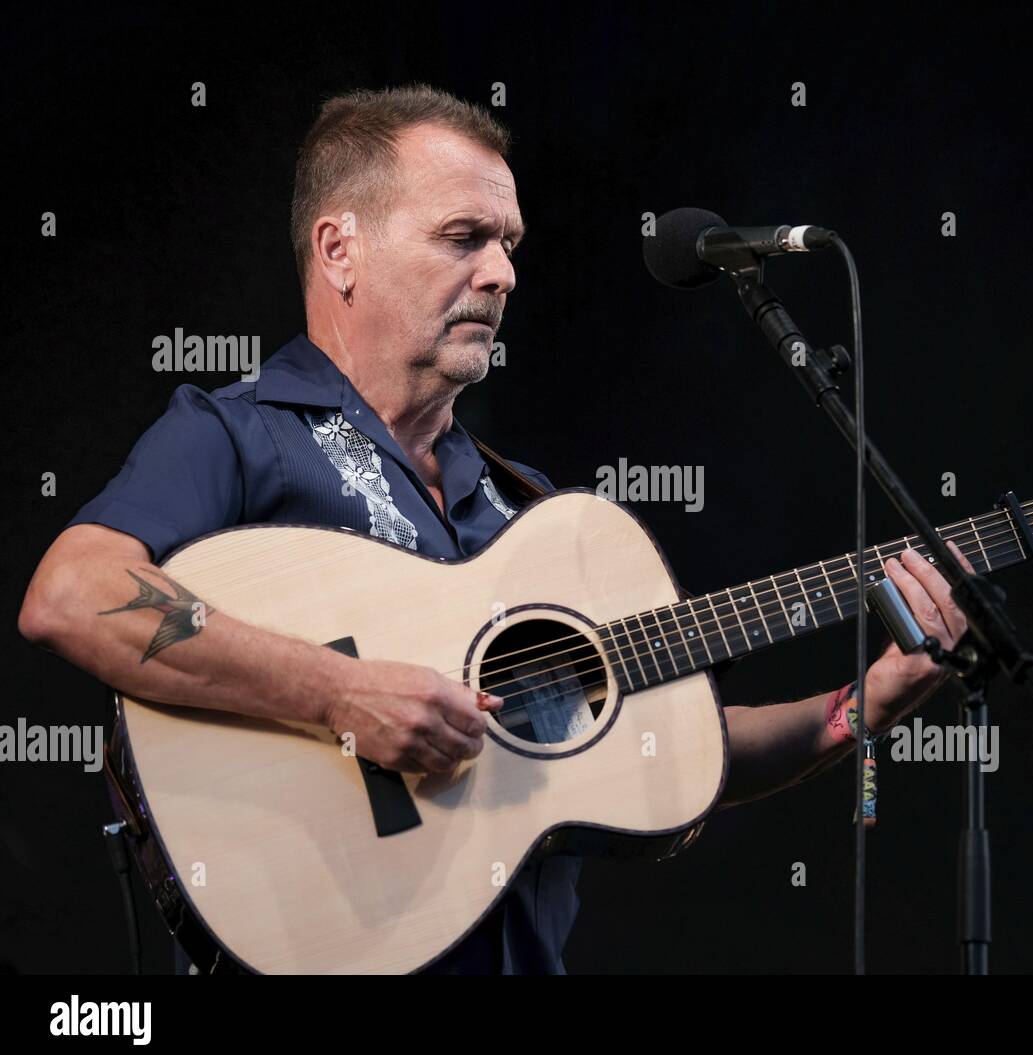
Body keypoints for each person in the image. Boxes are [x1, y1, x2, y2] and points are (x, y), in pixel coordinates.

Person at [17, 85, 973, 974]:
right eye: (463, 236)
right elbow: (72, 595)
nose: (503, 272)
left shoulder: (533, 513)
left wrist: (862, 706)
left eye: (510, 242)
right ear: (339, 249)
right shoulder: (237, 431)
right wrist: (342, 694)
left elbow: (671, 750)